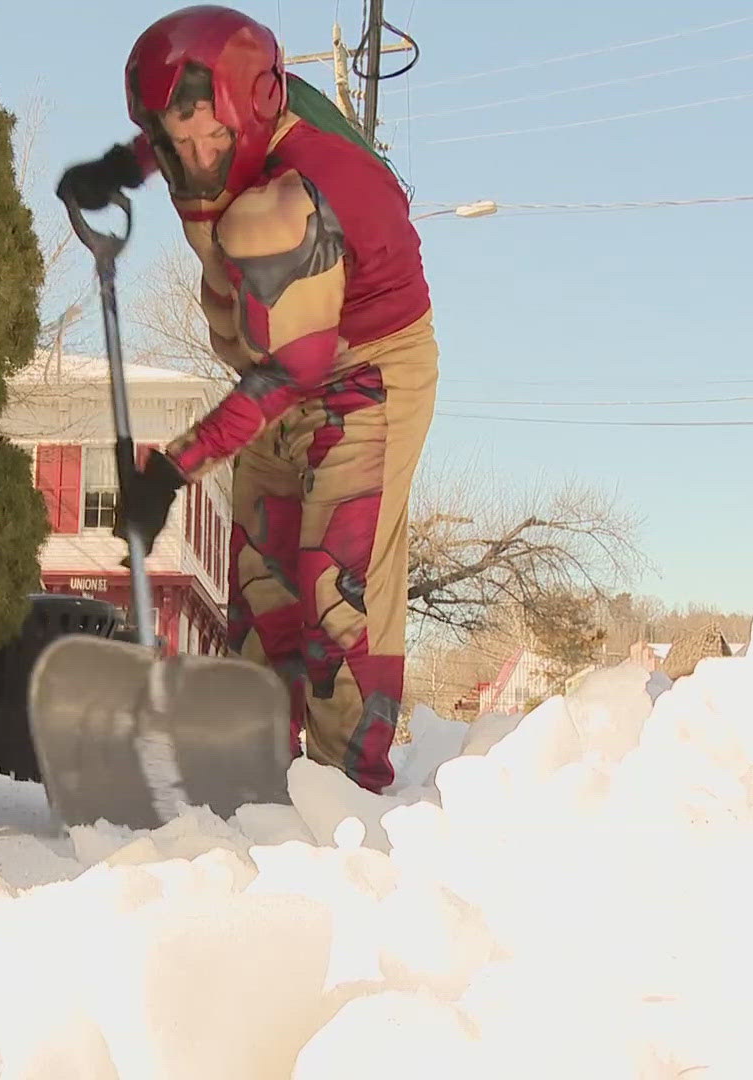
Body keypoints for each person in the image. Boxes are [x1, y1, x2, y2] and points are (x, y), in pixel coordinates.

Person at [55, 4, 438, 794]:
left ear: (255, 112)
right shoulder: (221, 111)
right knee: (262, 585)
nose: (197, 158)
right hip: (278, 355)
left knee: (336, 590)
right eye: (175, 140)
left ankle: (346, 796)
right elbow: (187, 121)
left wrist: (169, 472)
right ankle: (255, 785)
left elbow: (286, 377)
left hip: (364, 369)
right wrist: (126, 168)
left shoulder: (295, 200)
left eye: (213, 139)